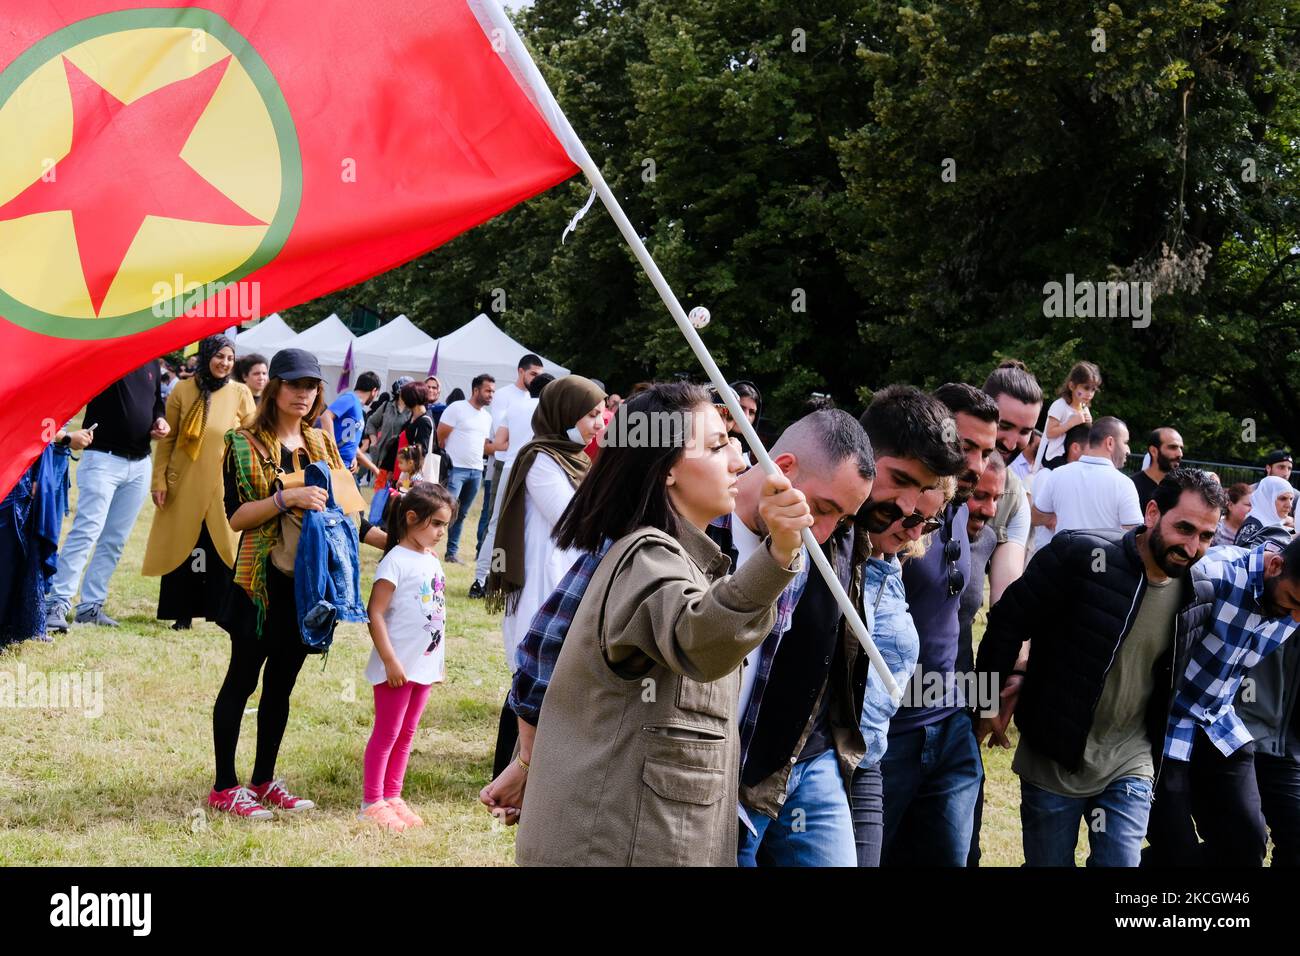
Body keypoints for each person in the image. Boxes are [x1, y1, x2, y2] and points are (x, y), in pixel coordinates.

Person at [512, 382, 810, 866]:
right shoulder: (647, 558)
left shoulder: (671, 558)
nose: (738, 461)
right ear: (667, 467)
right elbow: (700, 639)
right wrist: (778, 555)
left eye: (733, 444)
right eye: (716, 446)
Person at [976, 470, 1226, 866]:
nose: (1193, 546)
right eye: (1184, 528)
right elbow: (1009, 621)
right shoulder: (1079, 555)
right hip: (1053, 757)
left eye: (1207, 536)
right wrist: (987, 701)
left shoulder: (1200, 595)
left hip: (1131, 760)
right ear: (1152, 512)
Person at [208, 348, 354, 819]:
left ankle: (264, 779)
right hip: (259, 583)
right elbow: (236, 518)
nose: (304, 394)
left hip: (309, 585)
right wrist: (285, 497)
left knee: (281, 686)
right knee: (242, 680)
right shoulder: (241, 442)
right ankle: (224, 786)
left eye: (312, 386)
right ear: (274, 389)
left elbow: (348, 509)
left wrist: (397, 540)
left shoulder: (322, 443)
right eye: (295, 385)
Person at [878, 383, 996, 867]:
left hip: (949, 725)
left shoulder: (963, 511)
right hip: (887, 732)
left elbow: (965, 620)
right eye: (966, 447)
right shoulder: (891, 514)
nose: (977, 463)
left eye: (987, 451)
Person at [1142, 523, 1300, 867]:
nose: (1296, 618)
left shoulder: (1291, 601)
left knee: (1246, 843)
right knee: (1176, 849)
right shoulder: (1212, 574)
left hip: (1219, 723)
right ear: (1274, 566)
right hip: (1164, 726)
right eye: (1293, 603)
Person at [484, 376, 606, 776]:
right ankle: (507, 766)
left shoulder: (578, 458)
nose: (599, 421)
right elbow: (571, 518)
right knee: (528, 675)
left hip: (566, 575)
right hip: (542, 577)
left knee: (553, 678)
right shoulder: (539, 457)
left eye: (601, 412)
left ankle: (537, 767)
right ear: (565, 413)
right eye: (591, 414)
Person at [852, 480, 953, 866]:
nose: (914, 531)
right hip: (820, 760)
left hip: (869, 761)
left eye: (927, 523)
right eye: (910, 517)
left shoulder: (893, 567)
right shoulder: (839, 558)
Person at [359, 482, 457, 832]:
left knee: (408, 732)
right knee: (388, 732)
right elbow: (375, 613)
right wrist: (389, 660)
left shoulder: (430, 560)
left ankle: (393, 794)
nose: (442, 532)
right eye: (436, 524)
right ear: (411, 518)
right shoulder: (395, 563)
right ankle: (372, 801)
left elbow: (436, 614)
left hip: (423, 666)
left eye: (445, 525)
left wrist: (436, 663)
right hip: (397, 667)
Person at [46, 363, 170, 632]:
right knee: (86, 532)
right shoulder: (111, 350)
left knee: (114, 540)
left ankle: (91, 606)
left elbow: (156, 402)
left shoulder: (152, 359)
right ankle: (57, 603)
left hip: (139, 463)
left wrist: (159, 420)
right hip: (102, 458)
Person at [143, 335, 255, 630]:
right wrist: (160, 481)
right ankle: (181, 613)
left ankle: (219, 611)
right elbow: (167, 438)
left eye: (230, 358)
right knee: (186, 544)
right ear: (207, 357)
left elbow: (253, 437)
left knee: (219, 547)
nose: (224, 363)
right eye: (219, 356)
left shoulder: (240, 392)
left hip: (223, 484)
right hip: (185, 482)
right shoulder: (183, 388)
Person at [957, 452, 1007, 866]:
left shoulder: (989, 540)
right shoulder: (925, 535)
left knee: (964, 841)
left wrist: (985, 707)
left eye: (996, 498)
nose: (987, 509)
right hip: (903, 705)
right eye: (978, 495)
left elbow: (981, 632)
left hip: (957, 698)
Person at [471, 356, 545, 598]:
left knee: (495, 525)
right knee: (526, 526)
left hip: (509, 466)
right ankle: (507, 579)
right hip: (533, 468)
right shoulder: (547, 410)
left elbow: (500, 442)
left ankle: (480, 579)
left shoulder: (515, 407)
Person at [982, 360, 1042, 604]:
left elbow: (1006, 594)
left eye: (1025, 431)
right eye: (1003, 426)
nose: (1010, 441)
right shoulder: (934, 473)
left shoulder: (1014, 496)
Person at [1031, 417, 1143, 534]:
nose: (1128, 450)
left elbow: (1035, 517)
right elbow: (1136, 534)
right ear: (1110, 443)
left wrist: (1064, 517)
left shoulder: (1058, 474)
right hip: (1103, 552)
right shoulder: (1123, 484)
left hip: (1064, 551)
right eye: (1125, 442)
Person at [436, 374, 497, 563]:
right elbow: (440, 437)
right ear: (476, 390)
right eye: (487, 390)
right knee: (445, 511)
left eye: (493, 391)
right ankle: (428, 545)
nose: (491, 395)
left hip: (476, 471)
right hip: (456, 469)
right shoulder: (457, 408)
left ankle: (451, 553)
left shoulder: (487, 417)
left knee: (461, 514)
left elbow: (485, 445)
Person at [1036, 361, 1100, 468]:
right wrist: (1071, 423)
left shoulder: (1085, 408)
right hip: (1053, 456)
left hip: (1073, 456)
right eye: (1086, 388)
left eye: (1093, 389)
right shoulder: (1059, 405)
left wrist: (1089, 424)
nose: (1089, 394)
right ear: (1071, 386)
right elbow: (1050, 433)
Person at [321, 370, 381, 471]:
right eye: (377, 394)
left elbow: (350, 442)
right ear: (374, 391)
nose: (375, 398)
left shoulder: (358, 408)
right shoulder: (351, 398)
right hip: (335, 465)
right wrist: (332, 449)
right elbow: (326, 416)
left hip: (345, 466)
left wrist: (374, 469)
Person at [1131, 427, 1186, 512]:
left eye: (1181, 448)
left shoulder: (1182, 486)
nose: (1180, 454)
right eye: (1172, 447)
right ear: (1153, 451)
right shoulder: (1132, 487)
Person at [1236, 475, 1296, 548]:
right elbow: (1245, 556)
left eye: (1291, 499)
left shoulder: (1279, 523)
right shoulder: (1252, 526)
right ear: (1267, 499)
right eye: (1283, 498)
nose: (1289, 505)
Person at [1212, 482, 1253, 548]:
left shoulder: (1252, 532)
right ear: (1230, 505)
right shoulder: (1215, 529)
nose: (1252, 509)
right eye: (1248, 505)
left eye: (1254, 505)